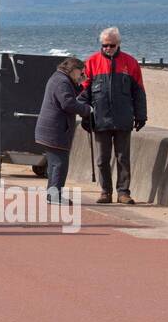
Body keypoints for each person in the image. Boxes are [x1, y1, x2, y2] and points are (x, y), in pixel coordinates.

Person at [82, 27, 147, 205]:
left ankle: (123, 192)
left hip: (123, 118)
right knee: (102, 159)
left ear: (118, 44)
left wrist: (141, 115)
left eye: (111, 45)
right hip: (100, 119)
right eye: (104, 45)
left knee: (122, 158)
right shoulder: (91, 62)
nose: (108, 48)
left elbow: (139, 91)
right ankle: (105, 192)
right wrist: (84, 114)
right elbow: (84, 91)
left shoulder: (130, 63)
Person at [34, 57, 91, 204]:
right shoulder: (62, 81)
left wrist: (80, 83)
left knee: (54, 163)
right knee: (60, 164)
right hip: (55, 130)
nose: (82, 74)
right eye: (80, 72)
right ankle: (55, 196)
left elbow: (69, 94)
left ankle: (52, 194)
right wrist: (87, 110)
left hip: (50, 129)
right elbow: (68, 103)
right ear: (73, 70)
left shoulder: (59, 78)